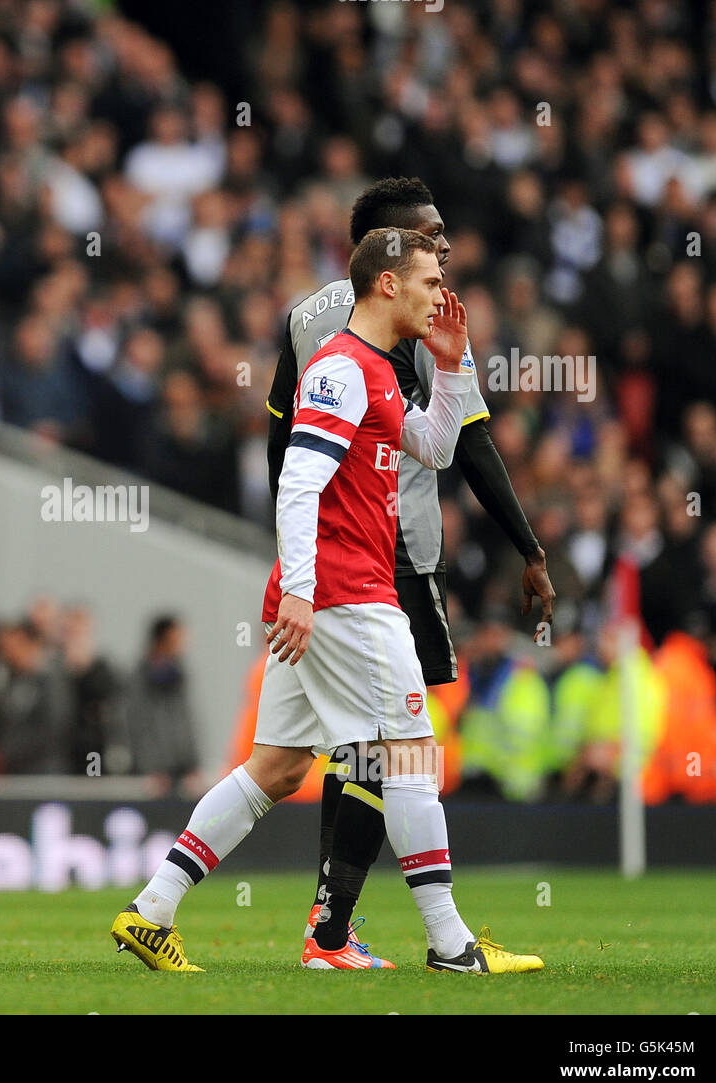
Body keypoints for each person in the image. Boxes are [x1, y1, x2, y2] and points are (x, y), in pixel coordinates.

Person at [111, 230, 543, 974]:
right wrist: (305, 594)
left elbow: (435, 447)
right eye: (429, 279)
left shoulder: (374, 369)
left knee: (276, 767)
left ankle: (152, 910)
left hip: (325, 597)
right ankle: (452, 945)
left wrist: (449, 364)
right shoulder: (342, 369)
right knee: (409, 755)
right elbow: (299, 482)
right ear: (385, 284)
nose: (439, 293)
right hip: (346, 597)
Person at [265, 178, 557, 965]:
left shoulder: (303, 321)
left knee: (329, 754)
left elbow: (282, 449)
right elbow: (462, 442)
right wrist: (528, 547)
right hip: (389, 562)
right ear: (389, 255)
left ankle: (323, 923)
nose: (446, 255)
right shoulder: (391, 328)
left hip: (325, 564)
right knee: (398, 749)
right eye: (432, 241)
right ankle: (392, 932)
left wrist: (297, 560)